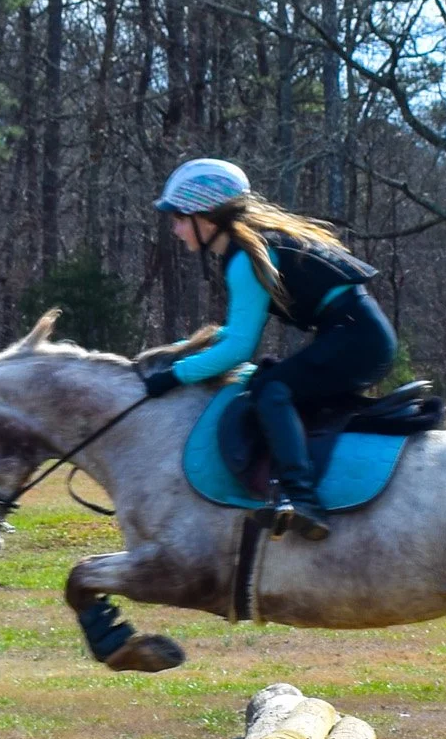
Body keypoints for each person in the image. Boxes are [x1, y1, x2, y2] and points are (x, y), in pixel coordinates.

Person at [144, 158, 394, 540]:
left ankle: (303, 498)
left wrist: (174, 376)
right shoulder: (251, 248)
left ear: (206, 219)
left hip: (357, 340)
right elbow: (235, 333)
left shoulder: (246, 258)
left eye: (179, 218)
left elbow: (238, 350)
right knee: (270, 383)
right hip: (356, 334)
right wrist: (181, 351)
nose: (176, 230)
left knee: (270, 390)